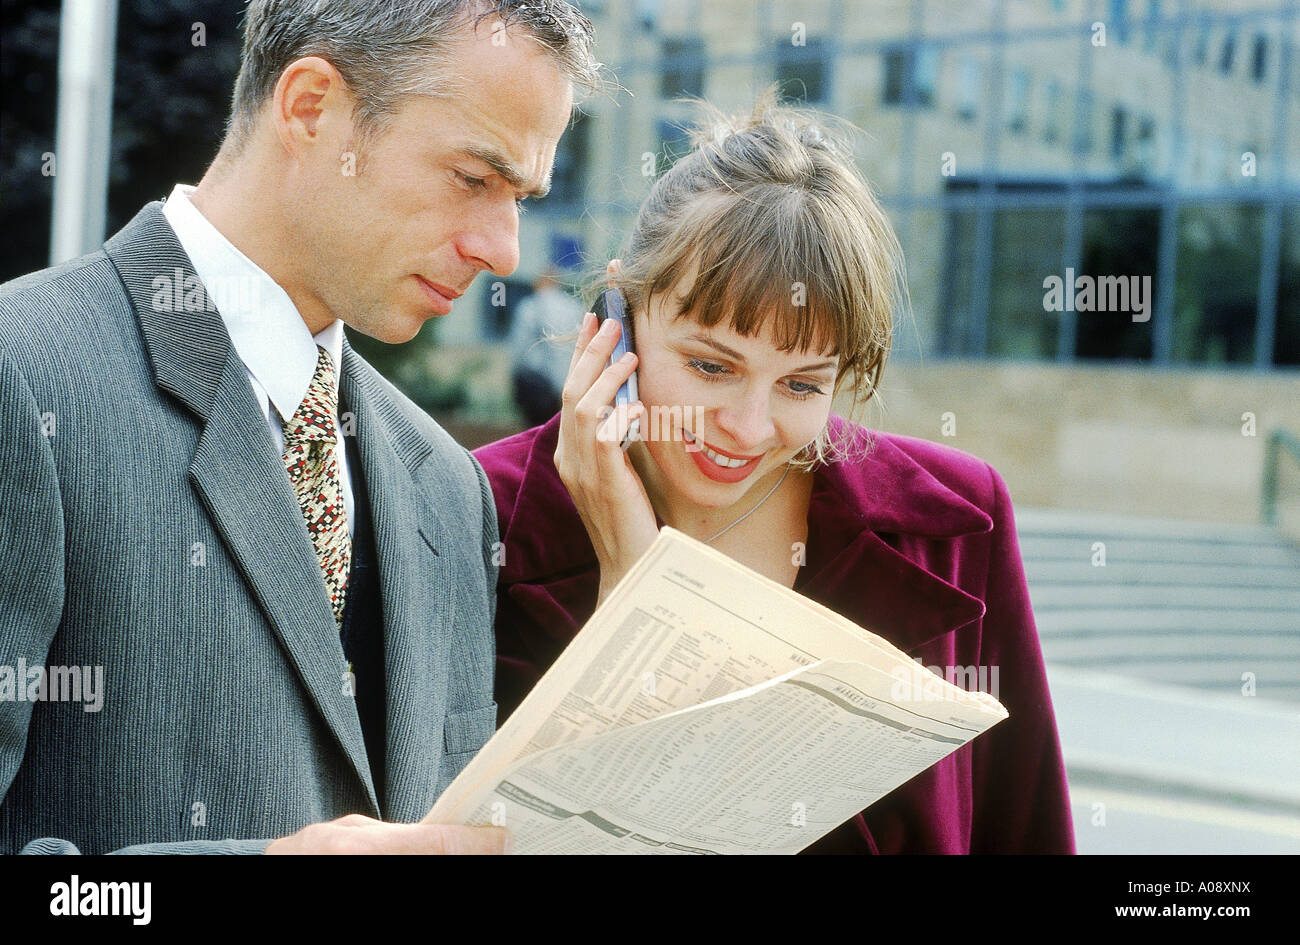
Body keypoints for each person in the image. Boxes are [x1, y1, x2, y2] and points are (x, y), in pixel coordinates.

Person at [0, 0, 601, 855]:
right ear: (311, 107)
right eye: (473, 177)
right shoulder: (22, 374)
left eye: (522, 196)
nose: (504, 249)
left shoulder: (447, 483)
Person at [474, 91, 1076, 854]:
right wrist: (632, 585)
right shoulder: (481, 515)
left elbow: (1024, 828)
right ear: (618, 311)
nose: (750, 427)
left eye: (802, 384)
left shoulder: (955, 519)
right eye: (711, 365)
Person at [508, 269, 584, 427]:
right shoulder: (574, 307)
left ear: (540, 282)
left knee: (533, 430)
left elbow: (519, 349)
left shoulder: (530, 306)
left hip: (538, 384)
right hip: (567, 383)